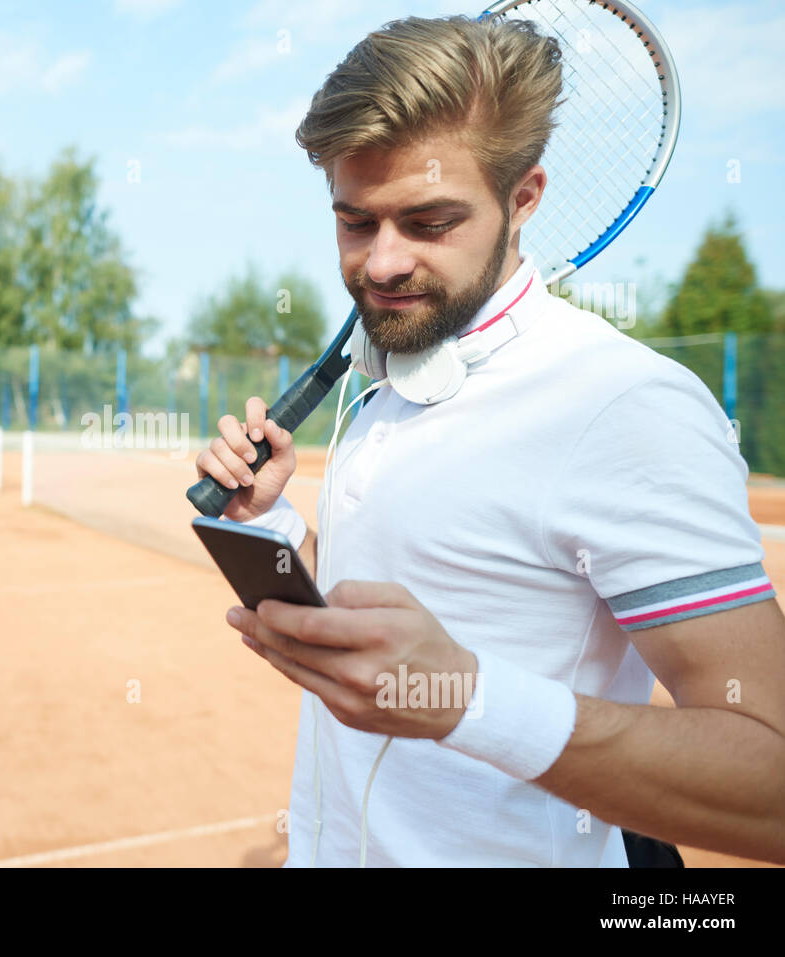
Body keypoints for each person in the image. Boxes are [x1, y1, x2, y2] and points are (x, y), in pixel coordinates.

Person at [196, 14, 785, 867]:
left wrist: (463, 697)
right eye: (356, 222)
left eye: (428, 221)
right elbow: (397, 620)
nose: (382, 263)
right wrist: (275, 521)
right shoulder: (392, 382)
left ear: (525, 197)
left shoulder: (624, 405)